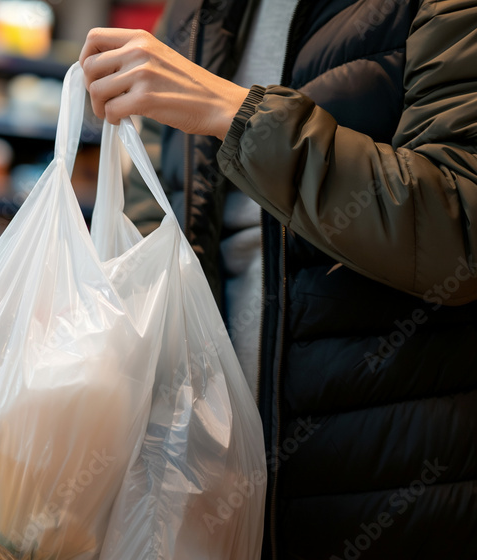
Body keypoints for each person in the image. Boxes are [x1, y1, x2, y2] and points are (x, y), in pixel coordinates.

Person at [80, 0, 477, 558]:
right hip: (206, 487)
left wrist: (235, 112)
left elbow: (458, 227)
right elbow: (166, 208)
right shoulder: (198, 12)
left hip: (383, 479)